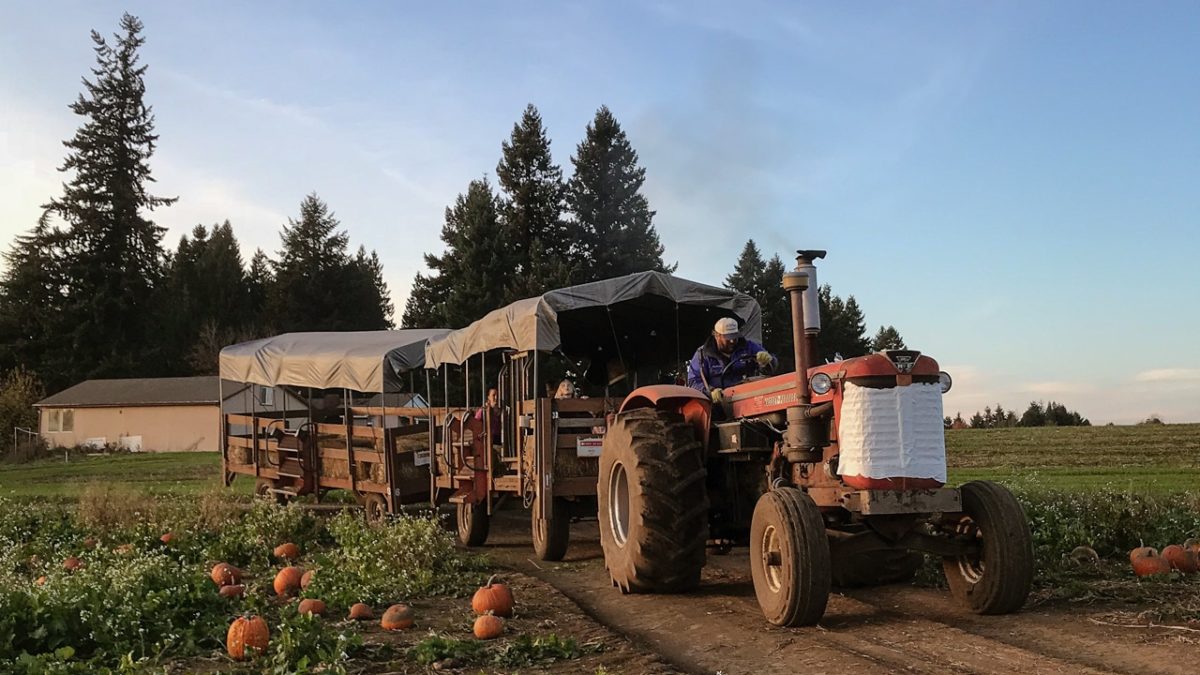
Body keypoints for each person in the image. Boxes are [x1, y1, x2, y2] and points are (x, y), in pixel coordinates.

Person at [687, 317, 777, 402]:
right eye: (728, 338)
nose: (732, 341)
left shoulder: (749, 347)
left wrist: (768, 361)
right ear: (716, 335)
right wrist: (710, 392)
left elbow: (772, 367)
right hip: (719, 404)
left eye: (734, 336)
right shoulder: (703, 355)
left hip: (749, 398)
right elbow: (693, 381)